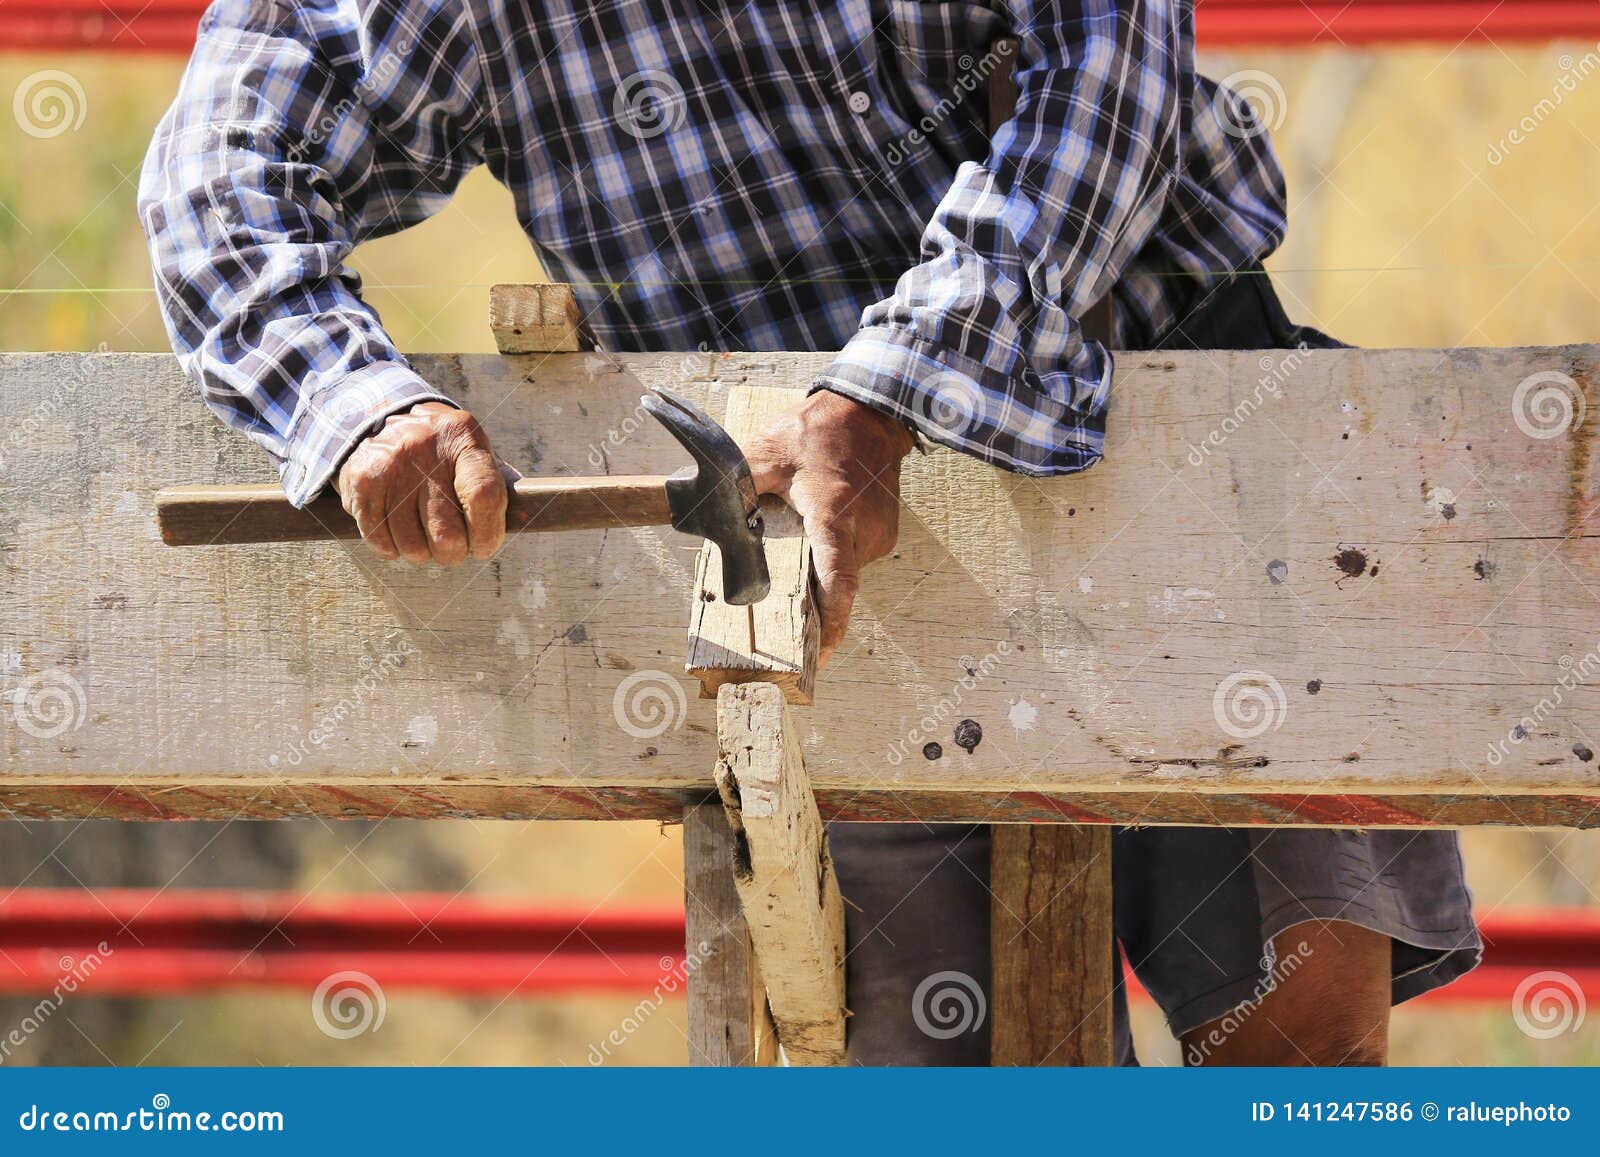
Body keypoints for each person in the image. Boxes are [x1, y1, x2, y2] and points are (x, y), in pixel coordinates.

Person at [138, 0, 1480, 1064]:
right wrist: (363, 406)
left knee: (1302, 1046)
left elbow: (1107, 65)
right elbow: (221, 179)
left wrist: (897, 381)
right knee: (944, 1078)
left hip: (1183, 421)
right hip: (818, 569)